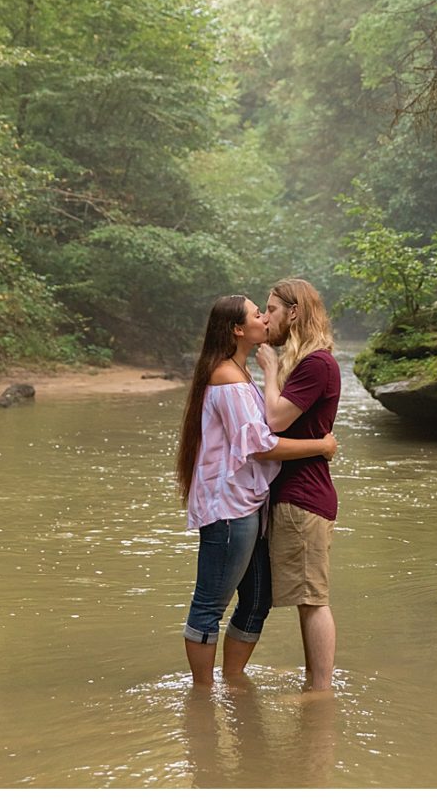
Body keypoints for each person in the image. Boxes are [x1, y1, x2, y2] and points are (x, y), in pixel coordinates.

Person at [175, 294, 338, 687]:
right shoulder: (227, 378)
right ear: (236, 329)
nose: (264, 319)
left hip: (249, 504)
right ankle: (202, 691)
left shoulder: (240, 372)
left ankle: (232, 682)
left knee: (257, 599)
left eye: (267, 311)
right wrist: (321, 446)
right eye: (256, 313)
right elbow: (260, 446)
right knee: (211, 602)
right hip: (229, 506)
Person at [257, 278, 342, 693]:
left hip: (303, 497)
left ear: (293, 313)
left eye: (270, 308)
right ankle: (316, 684)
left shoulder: (315, 364)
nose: (264, 315)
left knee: (312, 600)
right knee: (309, 598)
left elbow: (274, 422)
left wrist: (270, 369)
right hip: (298, 495)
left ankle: (320, 692)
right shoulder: (307, 362)